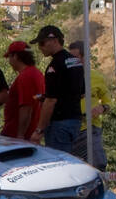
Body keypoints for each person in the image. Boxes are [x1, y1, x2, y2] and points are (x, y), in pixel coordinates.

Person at [32, 25, 83, 153]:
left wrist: (39, 130)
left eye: (42, 43)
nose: (40, 47)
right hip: (75, 121)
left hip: (59, 123)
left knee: (59, 163)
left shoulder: (53, 66)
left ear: (55, 41)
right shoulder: (75, 61)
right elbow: (81, 92)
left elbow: (51, 101)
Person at [68, 40, 110, 170]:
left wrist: (102, 108)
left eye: (75, 58)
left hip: (90, 128)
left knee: (98, 164)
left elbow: (108, 102)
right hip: (69, 130)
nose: (72, 62)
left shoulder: (97, 77)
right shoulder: (65, 76)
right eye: (70, 59)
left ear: (85, 57)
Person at [1, 42, 45, 140]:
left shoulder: (26, 76)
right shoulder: (37, 73)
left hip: (15, 134)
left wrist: (20, 135)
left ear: (15, 56)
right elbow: (37, 98)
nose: (9, 61)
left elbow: (26, 107)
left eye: (9, 57)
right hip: (31, 131)